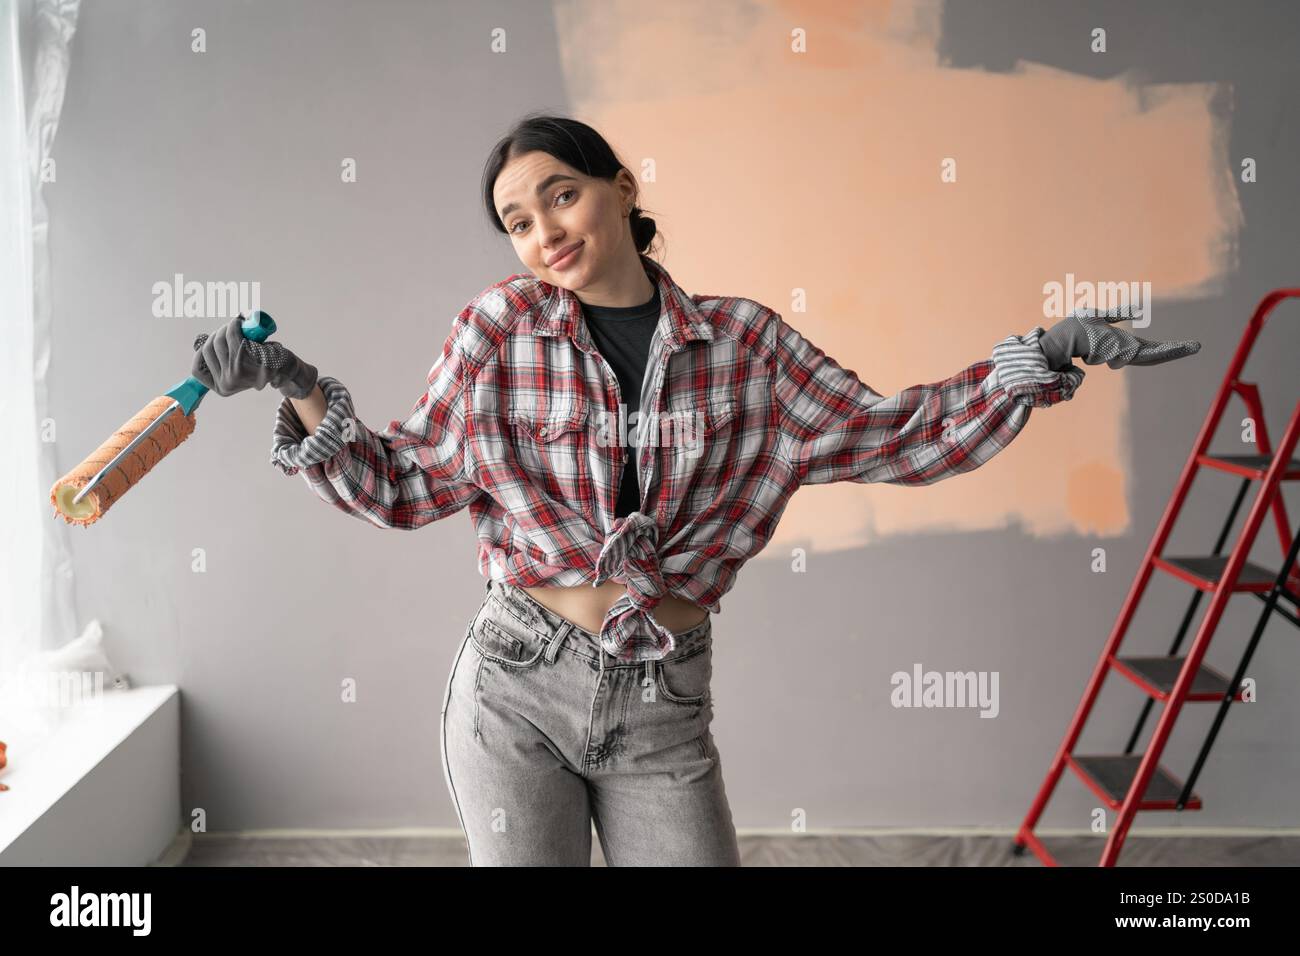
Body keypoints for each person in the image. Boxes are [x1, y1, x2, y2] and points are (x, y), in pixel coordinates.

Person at [191, 112, 1201, 866]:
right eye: (515, 219)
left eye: (560, 193)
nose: (543, 230)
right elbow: (408, 482)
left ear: (620, 186)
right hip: (514, 687)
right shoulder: (498, 329)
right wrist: (297, 383)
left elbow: (893, 437)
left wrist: (1040, 355)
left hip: (663, 698)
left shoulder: (748, 344)